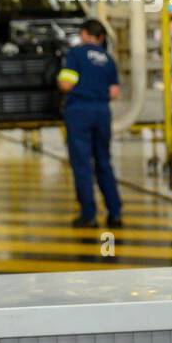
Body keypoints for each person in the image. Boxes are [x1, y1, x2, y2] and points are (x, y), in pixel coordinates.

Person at [58, 19, 124, 228]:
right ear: (101, 37)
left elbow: (66, 84)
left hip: (80, 112)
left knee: (82, 165)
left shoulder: (76, 54)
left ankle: (89, 215)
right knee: (104, 162)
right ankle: (115, 213)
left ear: (84, 34)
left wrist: (61, 81)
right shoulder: (108, 59)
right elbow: (114, 92)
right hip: (102, 113)